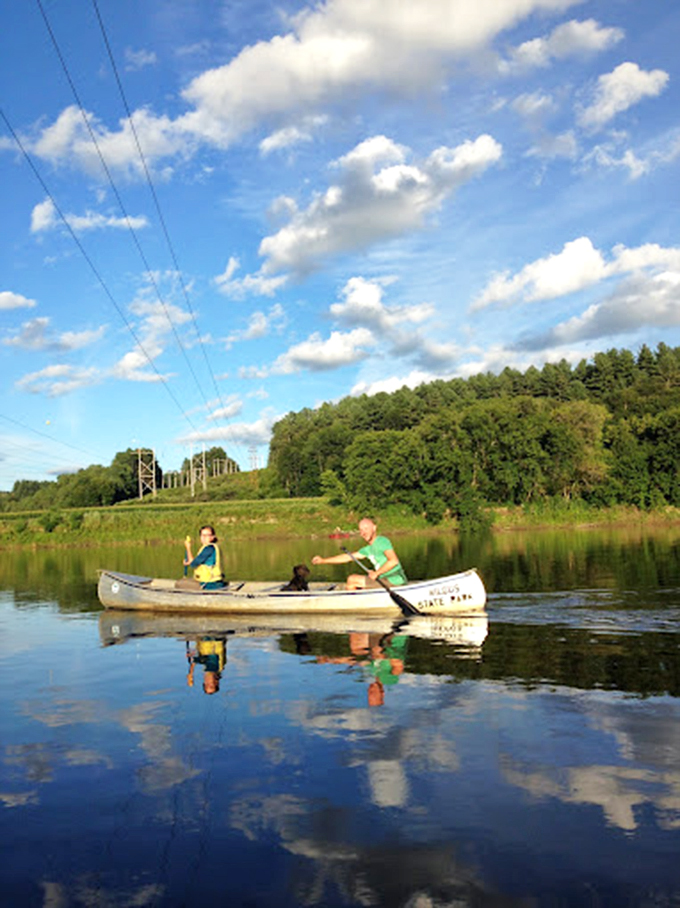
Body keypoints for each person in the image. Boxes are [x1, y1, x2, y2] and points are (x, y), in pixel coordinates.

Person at [311, 517, 407, 590]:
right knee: (356, 582)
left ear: (374, 528)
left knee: (352, 580)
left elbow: (393, 561)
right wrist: (323, 561)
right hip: (383, 579)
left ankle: (353, 606)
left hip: (394, 579)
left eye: (366, 529)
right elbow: (347, 557)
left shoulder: (382, 541)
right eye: (361, 530)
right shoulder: (368, 549)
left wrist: (377, 573)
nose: (363, 532)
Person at [180, 525, 227, 590]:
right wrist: (189, 562)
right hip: (211, 581)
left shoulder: (209, 548)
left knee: (179, 584)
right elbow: (195, 562)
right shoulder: (210, 548)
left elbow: (193, 564)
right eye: (202, 535)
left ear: (213, 537)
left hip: (209, 583)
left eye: (207, 535)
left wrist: (188, 548)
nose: (204, 538)